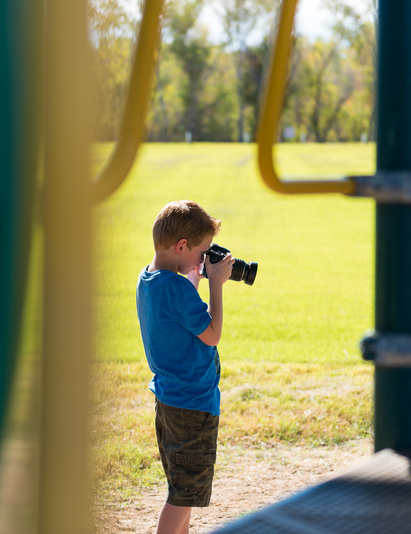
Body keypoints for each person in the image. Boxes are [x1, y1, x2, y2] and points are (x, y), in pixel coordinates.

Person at [136, 200, 234, 534]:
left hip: (169, 400)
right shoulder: (177, 288)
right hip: (193, 405)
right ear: (182, 246)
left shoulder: (150, 280)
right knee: (183, 495)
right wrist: (216, 284)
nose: (205, 259)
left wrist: (193, 275)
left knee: (183, 490)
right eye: (203, 251)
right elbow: (212, 334)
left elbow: (179, 311)